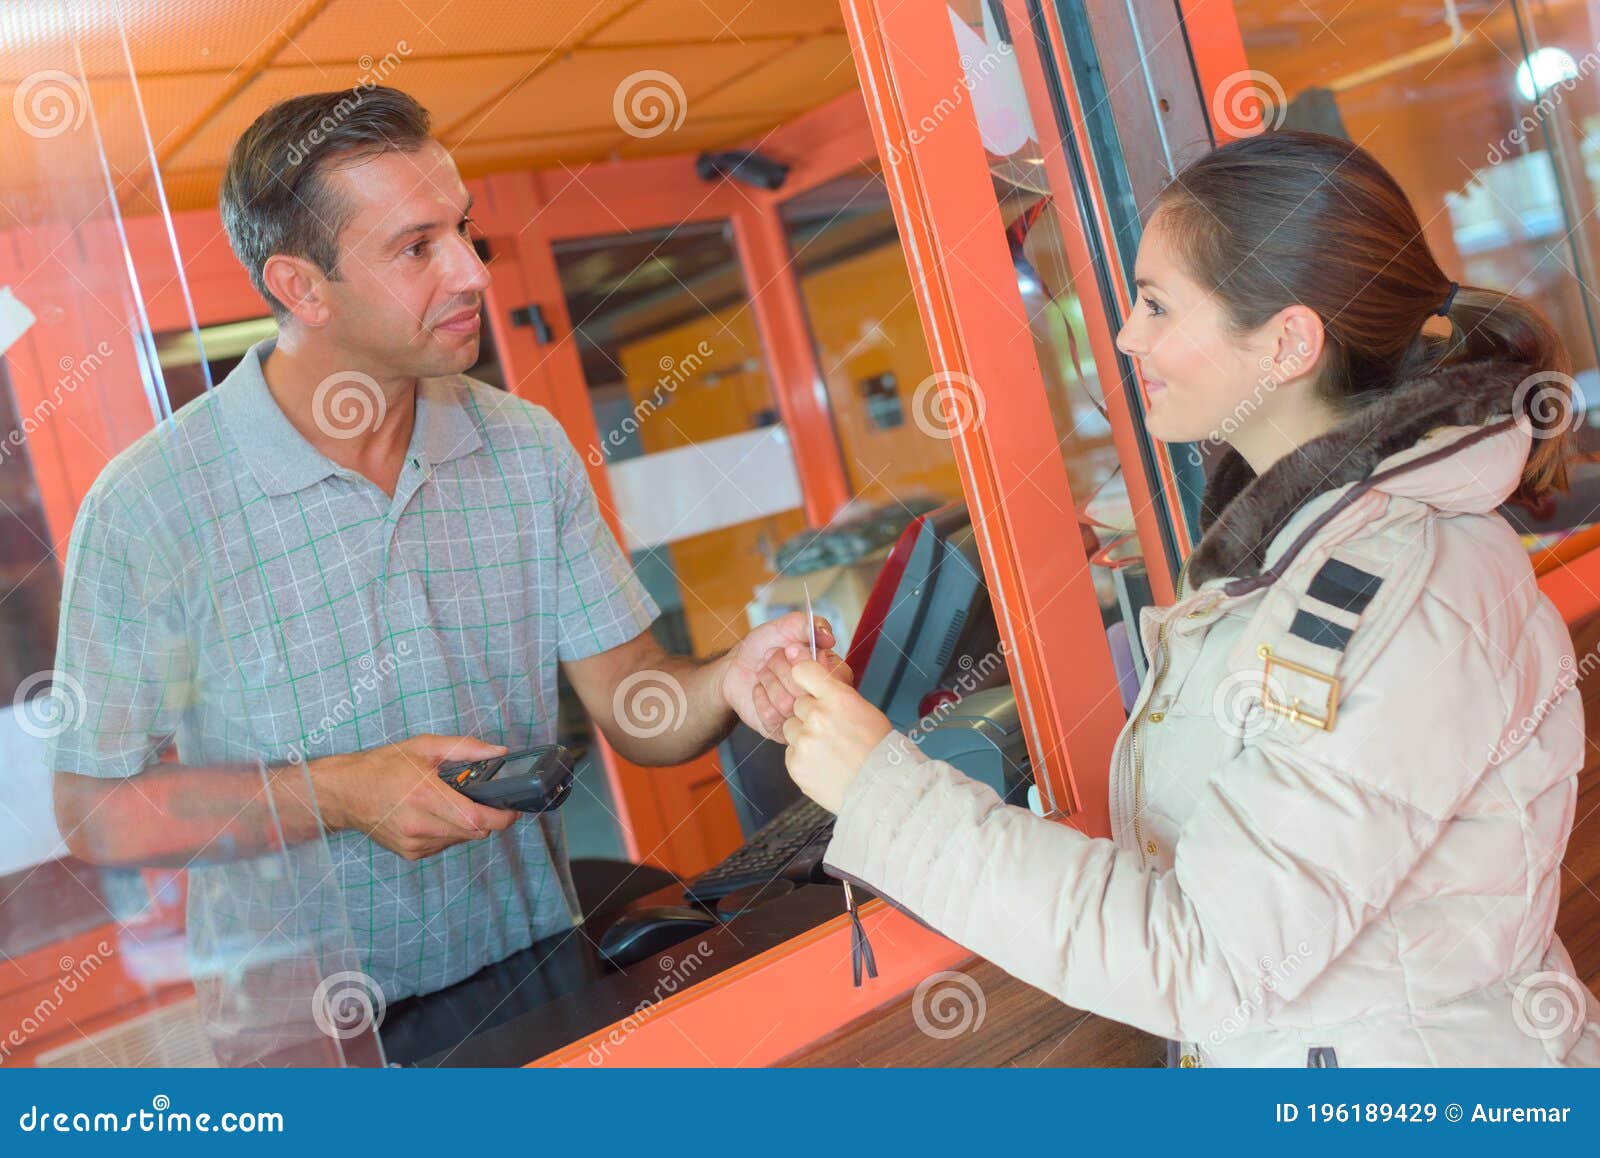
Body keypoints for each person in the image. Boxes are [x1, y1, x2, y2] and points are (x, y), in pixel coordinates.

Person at [760, 131, 1600, 1067]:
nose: (1125, 335)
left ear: (1286, 343)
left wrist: (882, 790)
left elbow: (1209, 958)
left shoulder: (1393, 593)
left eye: (1157, 304)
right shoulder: (1311, 543)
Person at [45, 86, 846, 1060]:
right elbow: (96, 814)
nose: (470, 270)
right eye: (416, 247)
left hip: (529, 973)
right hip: (304, 1042)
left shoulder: (524, 444)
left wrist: (725, 677)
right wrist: (339, 793)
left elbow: (639, 706)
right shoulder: (149, 508)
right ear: (302, 287)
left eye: (463, 231)